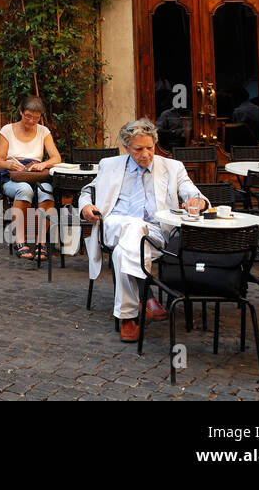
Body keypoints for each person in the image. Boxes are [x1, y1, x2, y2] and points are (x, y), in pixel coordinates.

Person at [79, 118, 208, 343]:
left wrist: (198, 202)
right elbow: (87, 191)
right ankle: (146, 297)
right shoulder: (110, 165)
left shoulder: (172, 167)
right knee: (133, 225)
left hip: (154, 232)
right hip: (115, 225)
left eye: (150, 147)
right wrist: (86, 207)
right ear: (127, 147)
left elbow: (191, 191)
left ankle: (128, 316)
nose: (146, 154)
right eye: (139, 149)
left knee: (122, 252)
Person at [0, 96, 61, 261]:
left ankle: (41, 242)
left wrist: (43, 164)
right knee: (24, 190)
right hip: (13, 178)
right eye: (28, 116)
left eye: (36, 118)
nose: (31, 121)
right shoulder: (7, 130)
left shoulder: (43, 131)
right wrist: (11, 165)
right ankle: (20, 241)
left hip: (35, 175)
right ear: (21, 112)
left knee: (47, 192)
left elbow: (56, 158)